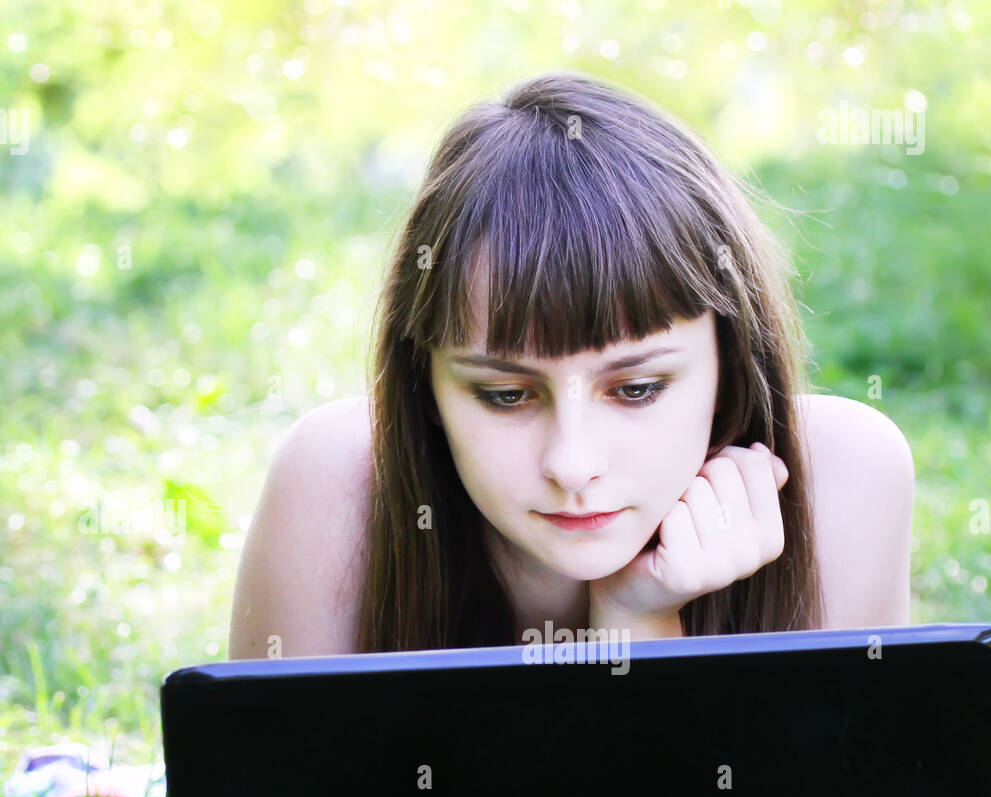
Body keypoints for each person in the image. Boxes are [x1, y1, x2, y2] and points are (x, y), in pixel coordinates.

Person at [228, 71, 914, 661]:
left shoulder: (842, 479)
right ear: (426, 386)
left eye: (638, 389)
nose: (573, 463)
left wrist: (638, 618)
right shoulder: (338, 487)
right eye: (504, 395)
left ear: (730, 363)